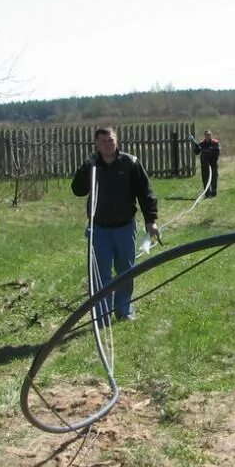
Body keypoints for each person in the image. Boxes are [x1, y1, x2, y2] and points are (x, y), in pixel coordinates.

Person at [71, 126, 160, 323]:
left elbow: (146, 194)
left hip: (125, 227)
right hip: (99, 229)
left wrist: (151, 221)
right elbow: (77, 190)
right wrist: (86, 168)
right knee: (100, 273)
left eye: (110, 140)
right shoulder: (92, 166)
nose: (107, 144)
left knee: (125, 271)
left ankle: (124, 310)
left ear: (116, 141)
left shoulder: (130, 163)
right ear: (96, 144)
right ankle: (102, 315)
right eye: (102, 141)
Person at [192, 129, 221, 196]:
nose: (208, 136)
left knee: (214, 177)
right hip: (204, 164)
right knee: (205, 177)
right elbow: (196, 152)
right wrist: (197, 148)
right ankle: (207, 192)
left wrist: (207, 151)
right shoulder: (201, 144)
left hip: (213, 163)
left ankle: (213, 192)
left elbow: (217, 152)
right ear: (204, 136)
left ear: (211, 135)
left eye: (209, 135)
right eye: (206, 135)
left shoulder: (215, 143)